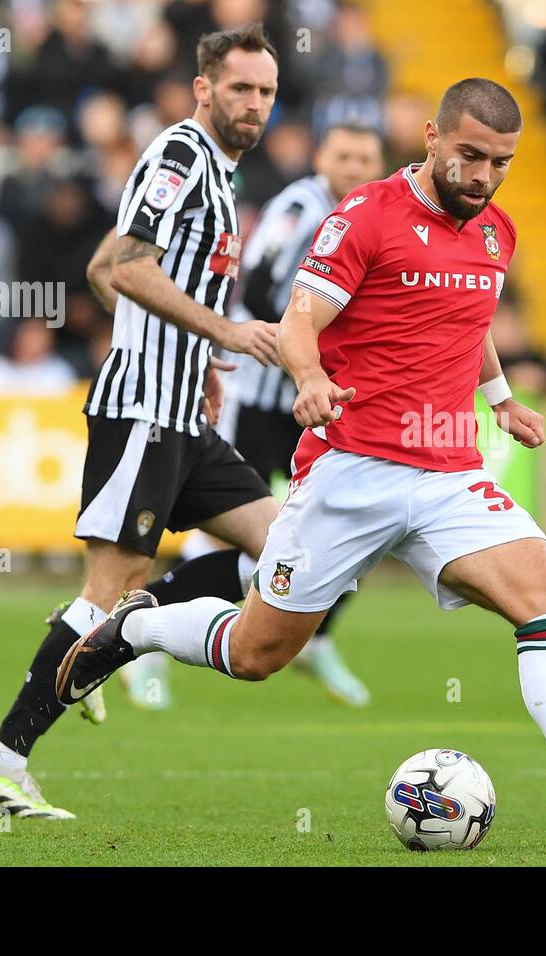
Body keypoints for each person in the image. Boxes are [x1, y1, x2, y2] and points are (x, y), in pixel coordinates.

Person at [51, 77, 546, 840]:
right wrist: (310, 377)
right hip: (352, 470)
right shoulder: (366, 217)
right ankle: (136, 631)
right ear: (431, 138)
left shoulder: (494, 233)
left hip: (450, 473)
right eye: (470, 156)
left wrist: (503, 398)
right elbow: (299, 319)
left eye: (500, 163)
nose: (482, 176)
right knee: (256, 654)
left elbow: (469, 315)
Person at [0, 25, 286, 819]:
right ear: (204, 88)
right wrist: (221, 333)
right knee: (110, 588)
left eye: (267, 92)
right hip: (142, 410)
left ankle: (110, 642)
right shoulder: (180, 155)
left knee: (288, 548)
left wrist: (193, 355)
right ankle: (1, 763)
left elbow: (102, 269)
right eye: (240, 88)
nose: (255, 104)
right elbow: (127, 265)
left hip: (184, 413)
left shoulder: (222, 173)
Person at [173, 122, 388, 709]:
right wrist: (325, 330)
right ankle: (152, 638)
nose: (353, 165)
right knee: (231, 520)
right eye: (342, 154)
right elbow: (265, 282)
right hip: (264, 392)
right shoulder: (300, 205)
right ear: (320, 157)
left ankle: (316, 640)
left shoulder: (377, 213)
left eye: (364, 155)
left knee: (354, 516)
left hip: (319, 395)